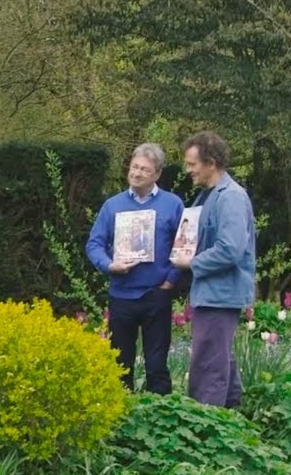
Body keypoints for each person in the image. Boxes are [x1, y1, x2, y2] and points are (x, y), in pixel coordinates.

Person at [86, 143, 184, 394]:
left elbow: (184, 244)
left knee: (156, 366)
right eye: (134, 167)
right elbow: (94, 244)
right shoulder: (112, 205)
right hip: (121, 295)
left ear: (157, 174)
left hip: (157, 294)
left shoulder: (172, 204)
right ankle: (122, 413)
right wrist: (109, 265)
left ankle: (161, 413)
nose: (137, 173)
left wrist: (170, 281)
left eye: (144, 169)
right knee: (120, 365)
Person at [170, 131, 256, 408]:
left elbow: (230, 249)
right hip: (210, 293)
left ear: (211, 163)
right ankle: (231, 420)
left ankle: (205, 424)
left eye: (192, 164)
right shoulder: (206, 197)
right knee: (219, 361)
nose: (188, 170)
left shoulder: (230, 198)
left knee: (208, 367)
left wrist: (191, 263)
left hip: (221, 295)